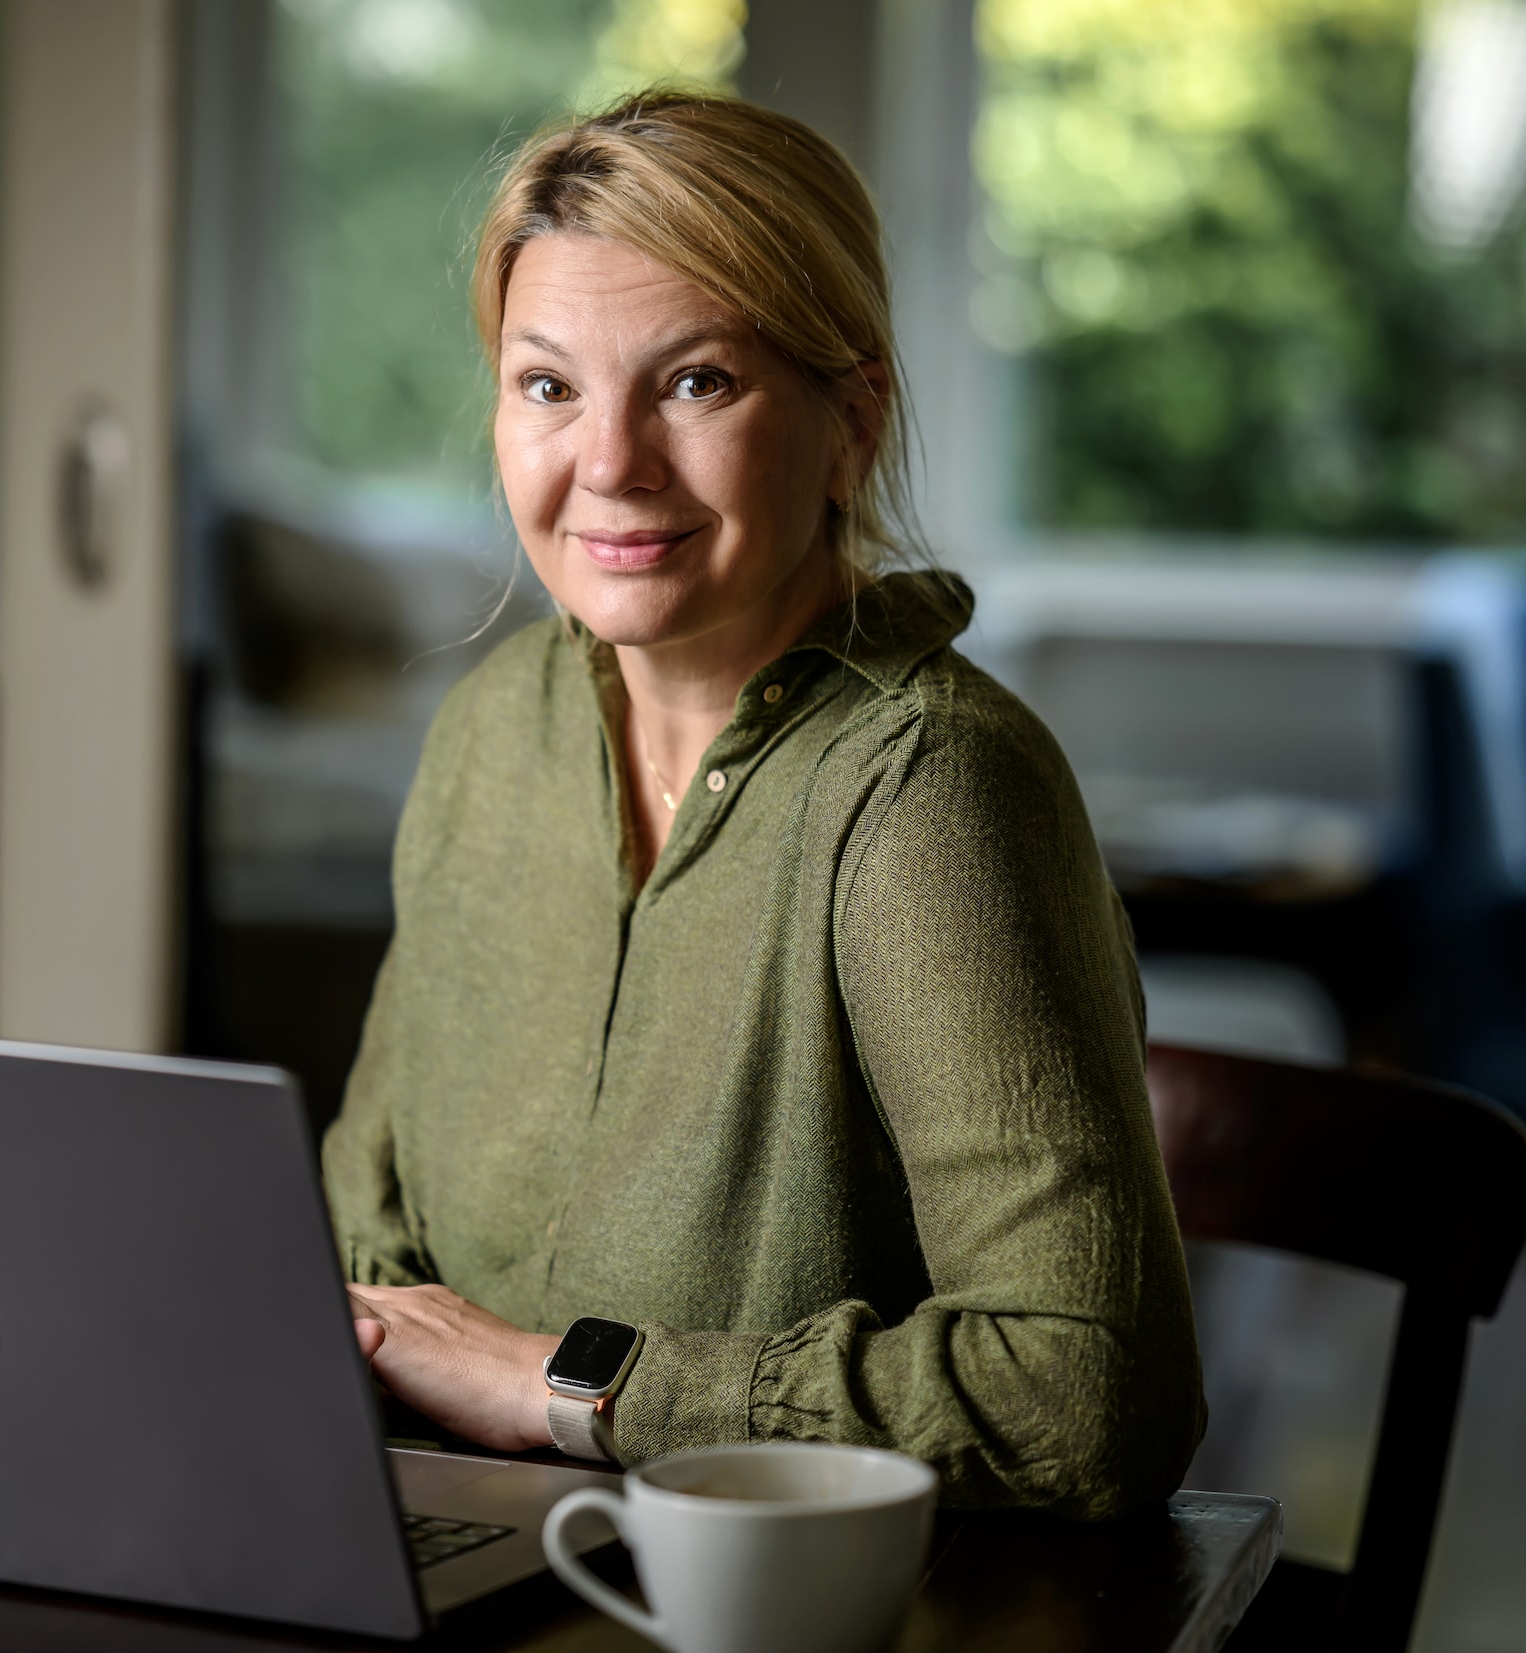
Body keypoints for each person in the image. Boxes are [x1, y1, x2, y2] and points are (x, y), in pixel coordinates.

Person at [322, 92, 1203, 1516]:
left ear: (850, 420)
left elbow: (1087, 1394)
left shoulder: (930, 789)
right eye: (549, 386)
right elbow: (373, 1229)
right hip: (461, 1553)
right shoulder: (491, 736)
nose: (607, 464)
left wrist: (574, 1382)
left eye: (694, 383)